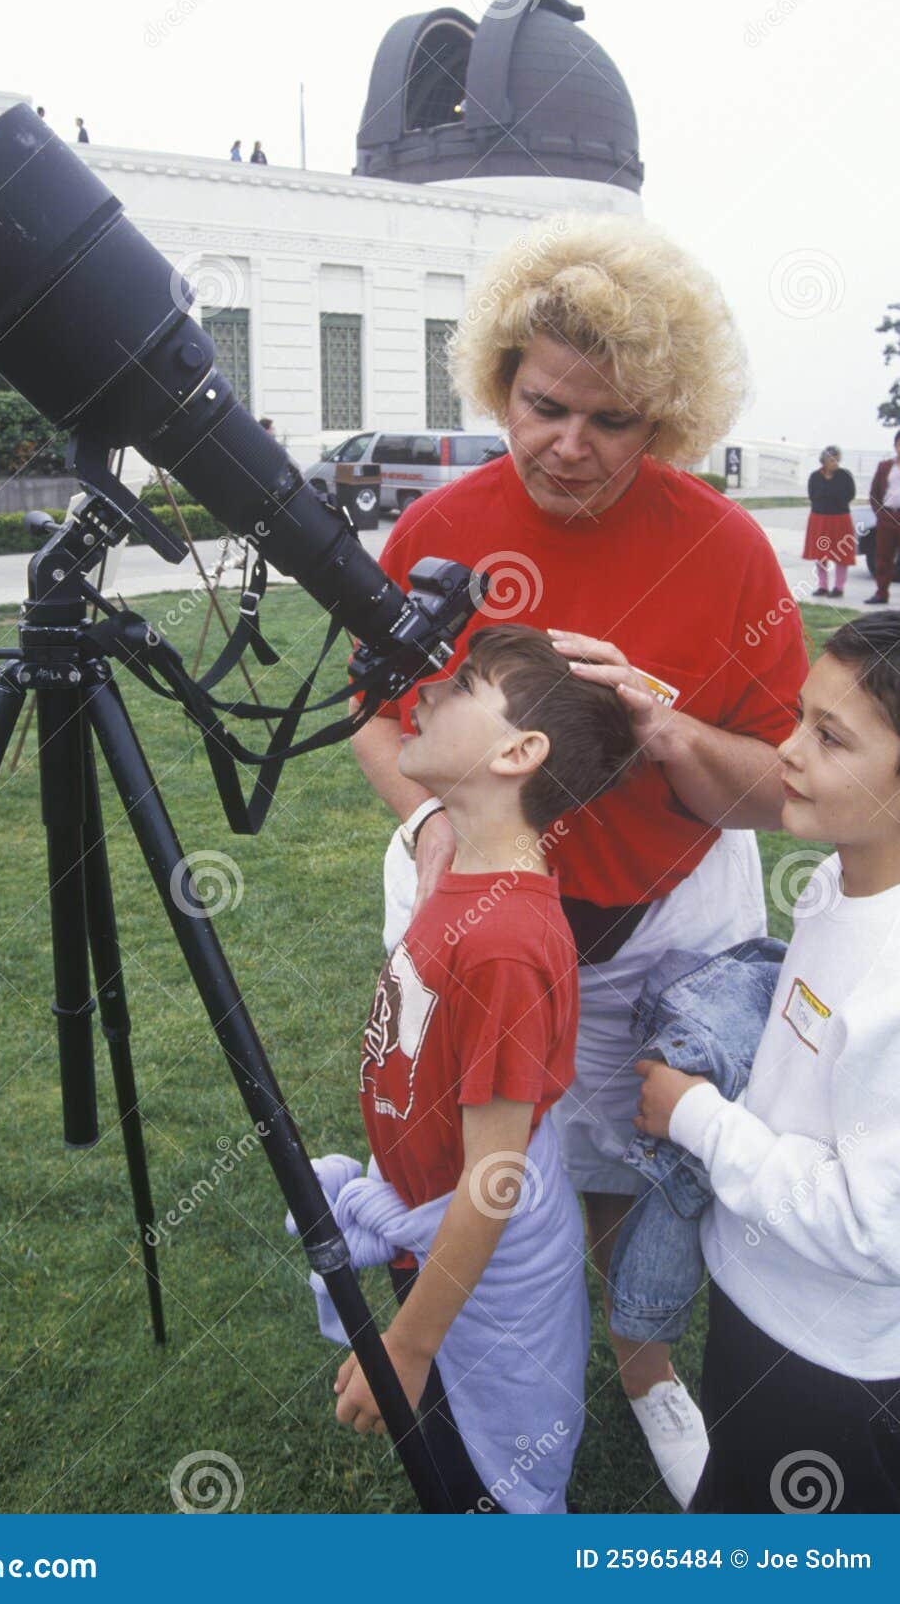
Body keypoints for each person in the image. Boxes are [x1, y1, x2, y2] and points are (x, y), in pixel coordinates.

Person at [350, 211, 808, 1507]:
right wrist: (450, 838)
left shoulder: (722, 551)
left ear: (659, 421)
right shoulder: (434, 529)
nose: (568, 443)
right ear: (499, 380)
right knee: (466, 1144)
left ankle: (636, 1353)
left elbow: (779, 787)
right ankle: (470, 1339)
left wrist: (661, 723)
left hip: (659, 914)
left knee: (637, 1151)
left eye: (609, 423)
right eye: (542, 404)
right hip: (469, 912)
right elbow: (376, 715)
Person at [334, 625, 638, 1512]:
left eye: (461, 682)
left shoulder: (504, 939)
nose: (423, 691)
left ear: (518, 750)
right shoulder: (463, 881)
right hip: (425, 1233)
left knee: (477, 1483)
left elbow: (494, 1180)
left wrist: (410, 1345)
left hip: (471, 1270)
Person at [635, 611, 900, 1513]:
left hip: (828, 1364)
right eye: (797, 717)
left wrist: (699, 1121)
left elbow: (879, 1231)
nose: (784, 752)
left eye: (829, 738)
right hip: (758, 1300)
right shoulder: (842, 875)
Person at [804, 444, 855, 599]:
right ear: (824, 460)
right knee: (821, 554)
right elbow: (812, 495)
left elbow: (850, 494)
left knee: (841, 553)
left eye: (836, 459)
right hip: (819, 518)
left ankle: (839, 587)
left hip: (840, 518)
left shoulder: (845, 475)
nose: (834, 462)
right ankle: (822, 585)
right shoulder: (815, 476)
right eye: (831, 459)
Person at [867, 429, 900, 604]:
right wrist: (880, 514)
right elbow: (874, 493)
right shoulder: (885, 467)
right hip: (887, 516)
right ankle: (881, 593)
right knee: (883, 557)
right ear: (895, 446)